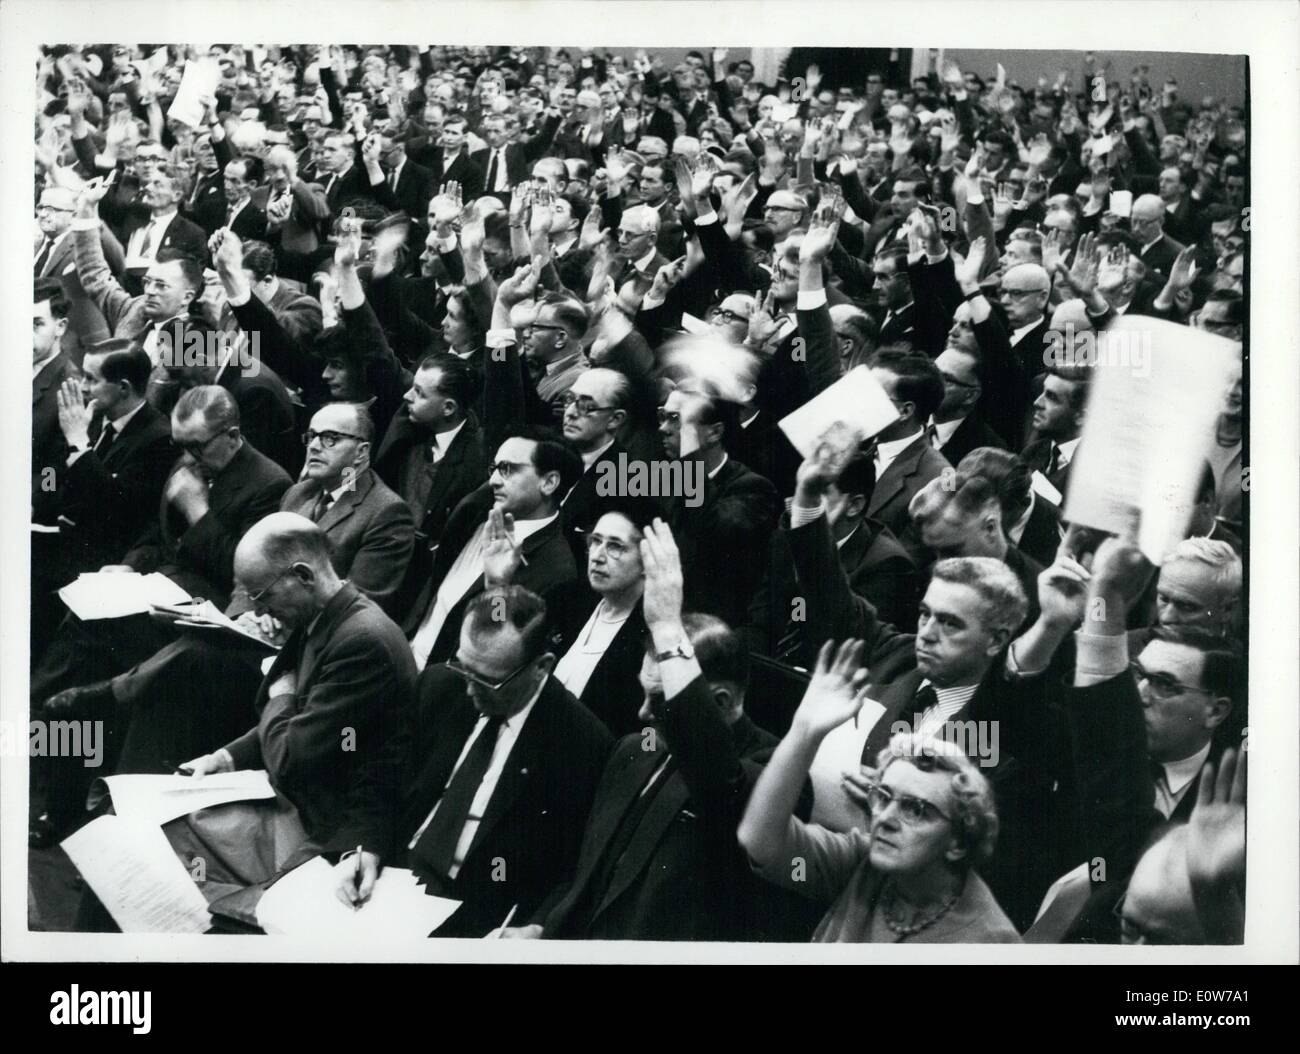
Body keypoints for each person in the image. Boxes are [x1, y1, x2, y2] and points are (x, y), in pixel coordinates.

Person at [512, 520, 815, 940]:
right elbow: (584, 873)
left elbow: (717, 782)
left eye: (661, 701)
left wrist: (668, 627)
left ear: (721, 703)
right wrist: (540, 926)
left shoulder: (781, 776)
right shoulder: (633, 750)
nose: (640, 715)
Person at [333, 585, 613, 936]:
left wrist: (537, 927)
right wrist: (362, 850)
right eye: (464, 668)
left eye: (488, 681)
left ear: (541, 667)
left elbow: (574, 864)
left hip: (474, 911)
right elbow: (380, 777)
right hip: (389, 875)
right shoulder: (440, 685)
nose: (468, 689)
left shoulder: (580, 742)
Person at [738, 640, 1020, 943]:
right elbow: (759, 840)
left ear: (958, 843)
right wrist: (804, 732)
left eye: (915, 809)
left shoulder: (989, 941)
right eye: (883, 797)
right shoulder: (862, 862)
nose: (883, 818)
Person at [402, 431, 580, 669]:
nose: (494, 479)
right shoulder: (473, 511)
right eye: (495, 467)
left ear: (548, 483)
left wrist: (498, 589)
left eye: (508, 469)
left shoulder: (557, 570)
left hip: (447, 683)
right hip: (407, 653)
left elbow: (500, 642)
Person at [550, 504, 653, 736]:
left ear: (647, 560)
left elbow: (644, 739)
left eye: (615, 546)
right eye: (595, 541)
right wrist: (497, 585)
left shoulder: (649, 639)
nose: (597, 556)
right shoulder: (567, 600)